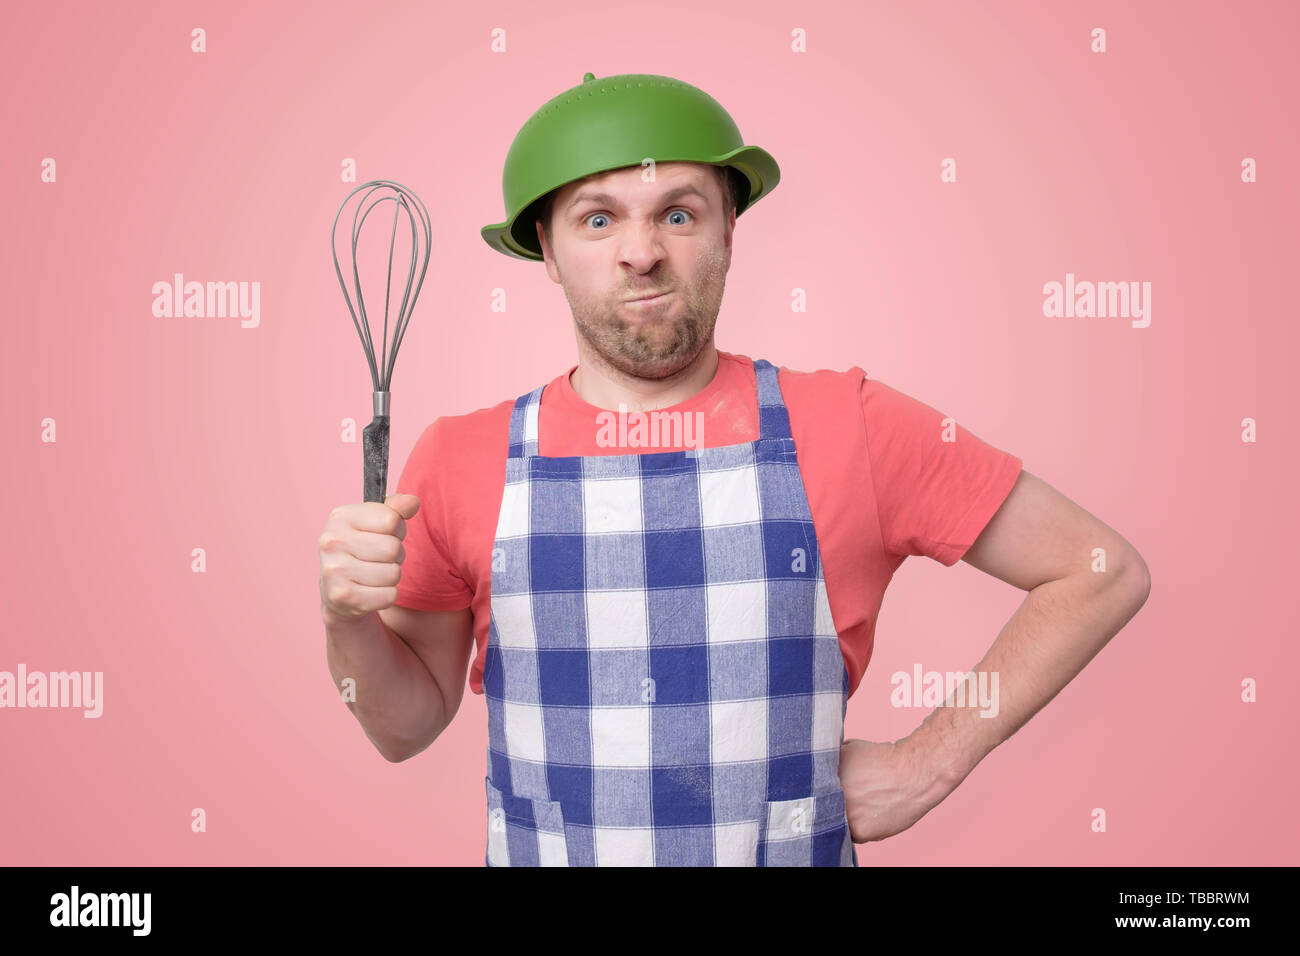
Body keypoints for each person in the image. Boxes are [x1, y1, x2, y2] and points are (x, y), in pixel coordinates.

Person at [317, 72, 1151, 867]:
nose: (641, 253)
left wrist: (930, 761)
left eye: (677, 215)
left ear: (729, 227)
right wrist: (346, 622)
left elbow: (1100, 572)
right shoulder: (460, 456)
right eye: (597, 219)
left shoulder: (851, 424)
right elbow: (404, 727)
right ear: (546, 245)